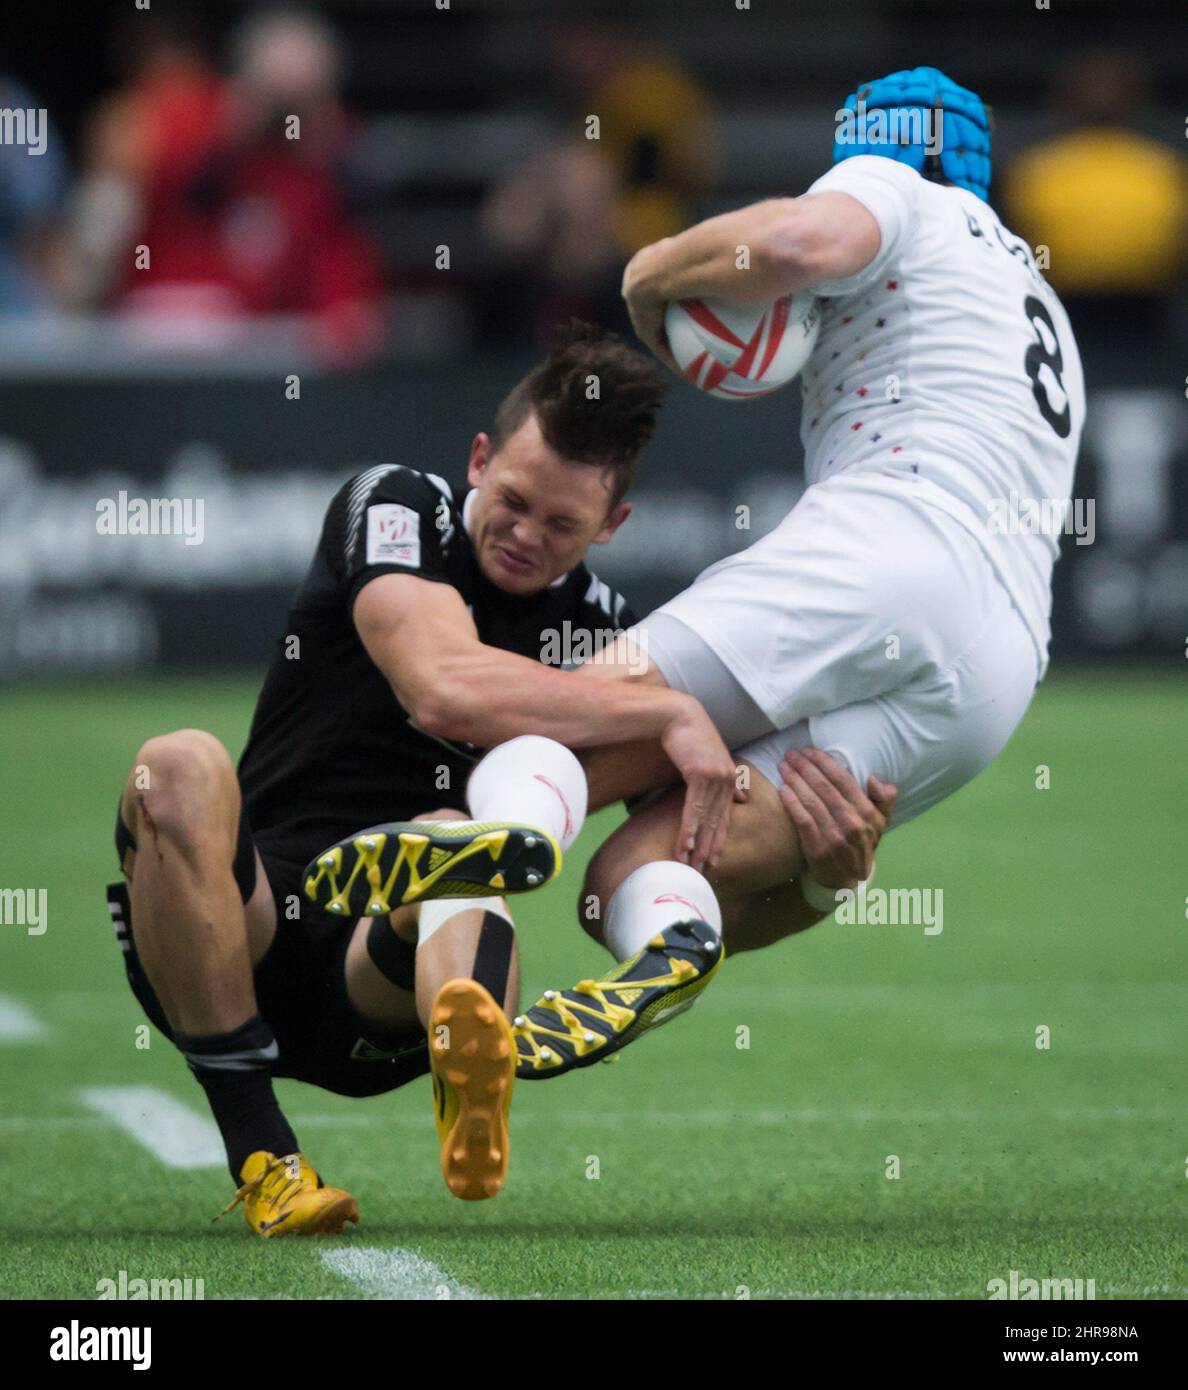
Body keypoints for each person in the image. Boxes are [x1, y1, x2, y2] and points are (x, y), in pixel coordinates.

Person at [106, 323, 760, 1236]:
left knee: (458, 835)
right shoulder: (397, 506)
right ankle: (264, 1153)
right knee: (173, 765)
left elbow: (706, 795)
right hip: (238, 926)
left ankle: (471, 1065)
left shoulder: (609, 629)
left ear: (613, 527)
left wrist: (827, 844)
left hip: (386, 978)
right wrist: (667, 711)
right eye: (516, 500)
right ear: (480, 459)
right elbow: (442, 687)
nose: (526, 535)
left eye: (563, 524)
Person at [509, 67, 1085, 1079]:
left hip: (896, 540)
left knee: (560, 723)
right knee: (624, 882)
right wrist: (822, 888)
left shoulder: (899, 190)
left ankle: (414, 901)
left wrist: (646, 274)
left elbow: (791, 246)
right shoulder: (1040, 306)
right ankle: (663, 948)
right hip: (995, 675)